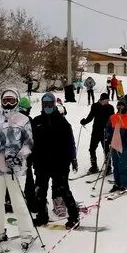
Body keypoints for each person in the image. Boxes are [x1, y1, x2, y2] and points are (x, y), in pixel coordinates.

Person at [0, 90, 35, 249]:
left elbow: (28, 144)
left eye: (11, 100)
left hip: (15, 168)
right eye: (5, 100)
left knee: (18, 201)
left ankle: (27, 233)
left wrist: (19, 157)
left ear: (17, 101)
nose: (8, 104)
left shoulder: (23, 119)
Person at [31, 93, 79, 228]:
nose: (47, 106)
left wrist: (73, 159)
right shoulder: (37, 121)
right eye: (44, 104)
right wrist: (33, 159)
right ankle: (42, 216)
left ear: (54, 105)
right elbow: (31, 143)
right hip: (41, 164)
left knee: (63, 190)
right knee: (40, 191)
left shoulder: (62, 122)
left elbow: (70, 143)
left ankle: (74, 216)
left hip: (59, 164)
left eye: (49, 104)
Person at [80, 94, 115, 175]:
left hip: (106, 132)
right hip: (96, 131)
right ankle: (94, 166)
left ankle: (108, 167)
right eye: (106, 101)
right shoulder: (95, 106)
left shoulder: (110, 107)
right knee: (92, 149)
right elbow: (91, 116)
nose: (107, 102)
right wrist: (84, 121)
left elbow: (113, 119)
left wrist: (112, 129)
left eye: (108, 101)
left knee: (106, 150)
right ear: (101, 100)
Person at [107, 101, 127, 192]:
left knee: (122, 165)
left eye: (122, 106)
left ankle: (124, 183)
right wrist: (108, 137)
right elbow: (108, 129)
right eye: (119, 106)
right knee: (115, 164)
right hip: (115, 143)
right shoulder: (112, 117)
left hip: (124, 144)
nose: (120, 108)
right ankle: (117, 183)